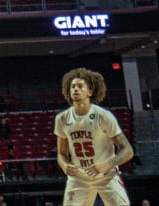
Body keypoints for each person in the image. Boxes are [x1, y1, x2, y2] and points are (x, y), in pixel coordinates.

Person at [54, 68, 133, 206]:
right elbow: (61, 154)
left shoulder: (103, 116)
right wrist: (64, 165)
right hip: (79, 177)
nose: (75, 90)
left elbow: (128, 151)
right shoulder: (62, 118)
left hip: (106, 175)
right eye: (72, 87)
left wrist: (106, 164)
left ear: (90, 92)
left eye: (80, 86)